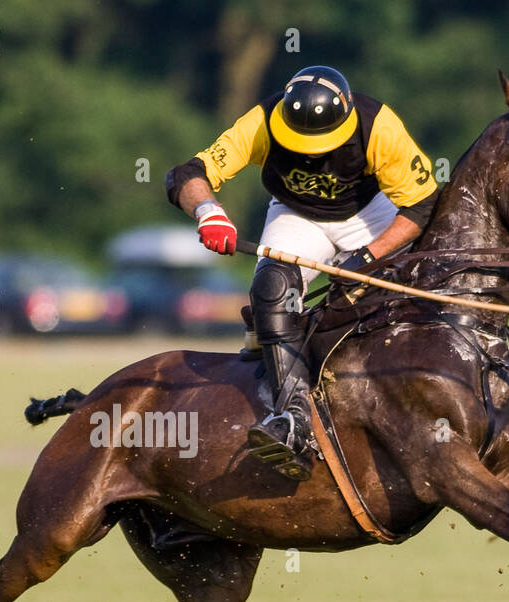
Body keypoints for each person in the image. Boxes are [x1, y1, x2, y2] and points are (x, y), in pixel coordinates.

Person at [166, 66, 439, 480]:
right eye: (301, 142)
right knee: (272, 289)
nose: (311, 152)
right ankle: (292, 418)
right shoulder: (263, 120)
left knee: (411, 291)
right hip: (297, 216)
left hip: (372, 214)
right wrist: (209, 213)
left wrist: (368, 255)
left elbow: (421, 206)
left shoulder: (378, 126)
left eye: (321, 144)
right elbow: (188, 173)